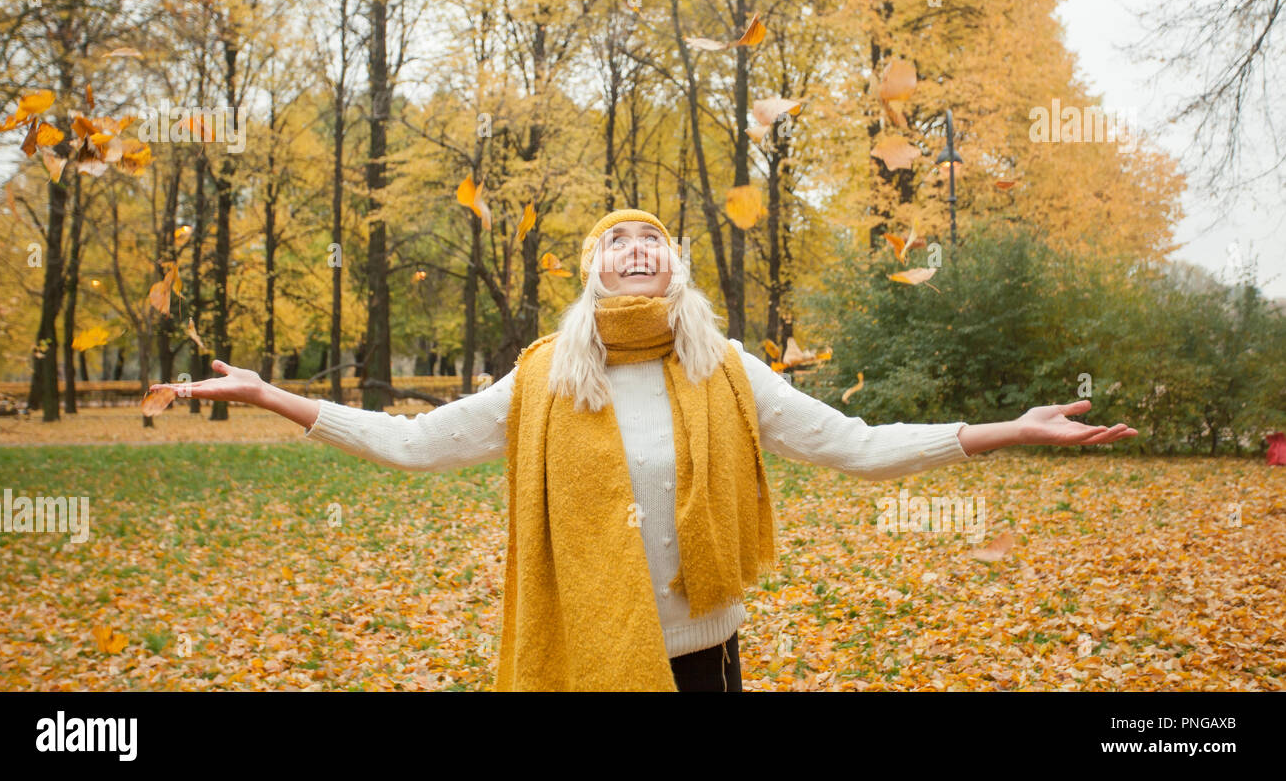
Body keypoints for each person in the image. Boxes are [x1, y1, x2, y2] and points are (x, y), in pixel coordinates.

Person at [153, 208, 1138, 691]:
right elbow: (414, 444)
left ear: (673, 266)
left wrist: (1009, 429)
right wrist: (271, 395)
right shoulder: (546, 375)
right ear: (594, 270)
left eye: (652, 238)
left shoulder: (725, 369)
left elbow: (856, 444)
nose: (636, 246)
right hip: (586, 656)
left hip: (703, 655)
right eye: (617, 239)